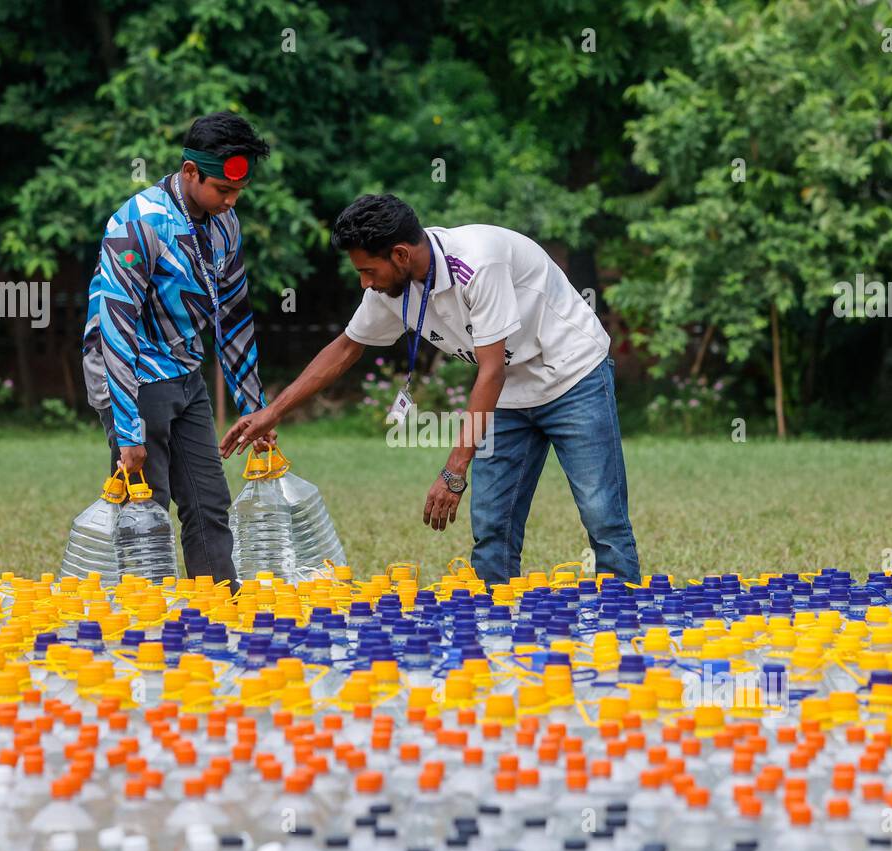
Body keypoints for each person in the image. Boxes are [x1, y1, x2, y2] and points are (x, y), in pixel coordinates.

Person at [219, 194, 640, 585]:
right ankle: (492, 625)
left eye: (368, 270)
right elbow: (346, 348)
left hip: (570, 374)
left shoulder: (478, 263)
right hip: (507, 394)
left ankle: (623, 625)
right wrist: (274, 411)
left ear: (400, 255)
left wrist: (454, 471)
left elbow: (490, 371)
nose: (365, 283)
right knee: (493, 523)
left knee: (602, 515)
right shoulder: (392, 287)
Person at [82, 111, 275, 584]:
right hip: (135, 375)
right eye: (222, 190)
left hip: (186, 375)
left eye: (237, 193)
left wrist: (256, 411)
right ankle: (151, 621)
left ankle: (216, 607)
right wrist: (128, 428)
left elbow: (233, 317)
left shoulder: (225, 224)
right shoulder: (138, 222)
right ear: (190, 172)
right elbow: (116, 327)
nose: (230, 202)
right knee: (145, 505)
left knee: (210, 502)